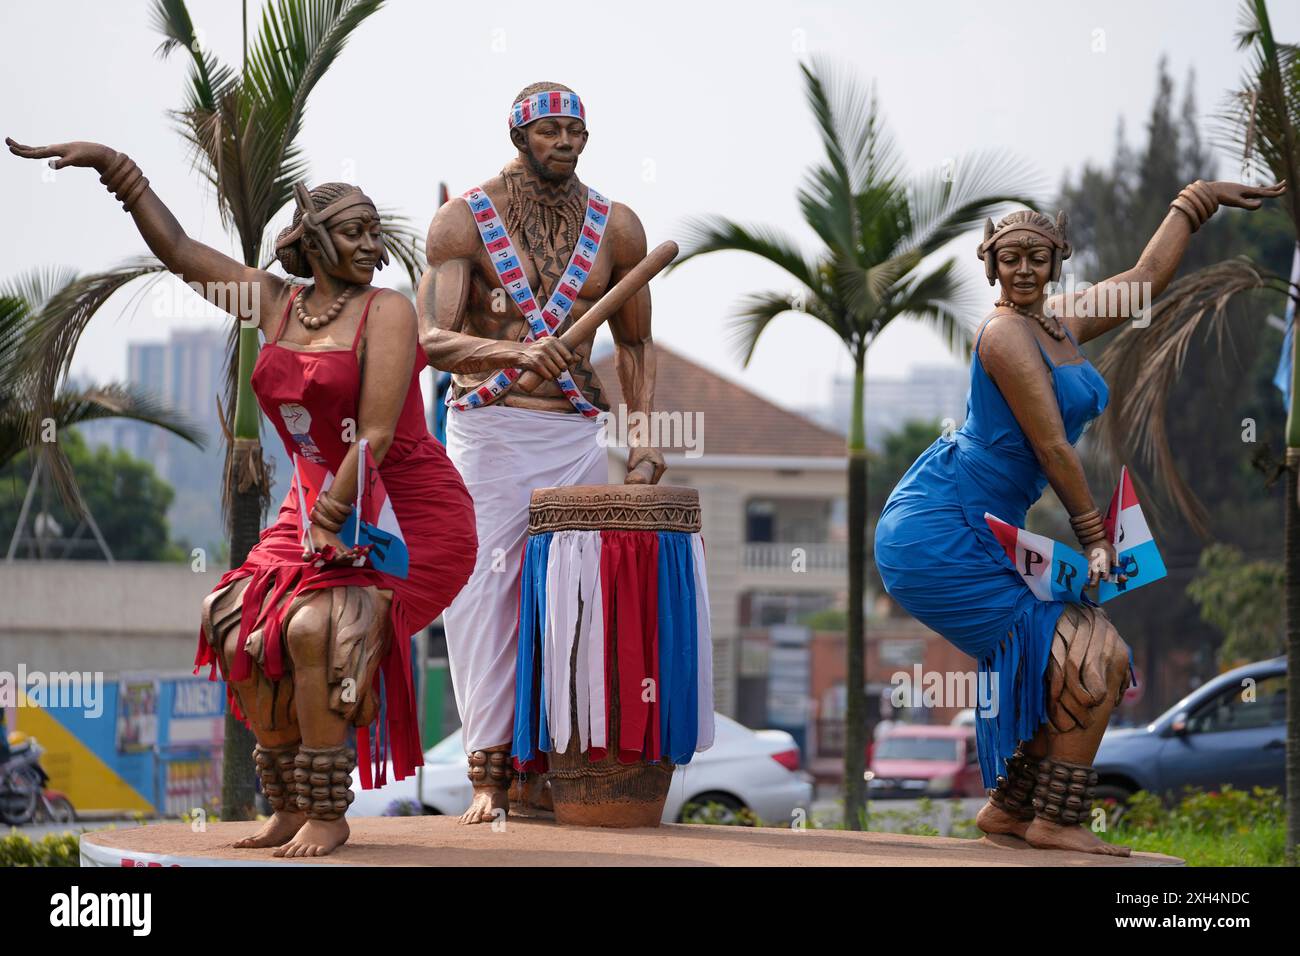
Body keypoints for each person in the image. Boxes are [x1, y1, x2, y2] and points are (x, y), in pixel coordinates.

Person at [7, 137, 478, 856]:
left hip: (400, 514)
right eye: (353, 232)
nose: (370, 246)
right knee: (234, 619)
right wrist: (117, 170)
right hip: (315, 507)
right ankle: (288, 803)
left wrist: (328, 523)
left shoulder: (386, 312)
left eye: (375, 233)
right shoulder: (271, 301)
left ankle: (329, 808)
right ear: (312, 241)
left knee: (318, 628)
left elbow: (375, 435)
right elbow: (180, 250)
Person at [874, 178, 1285, 855]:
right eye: (1012, 259)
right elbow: (1051, 445)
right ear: (992, 266)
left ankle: (1012, 809)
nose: (1026, 269)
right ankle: (1054, 818)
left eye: (1039, 257)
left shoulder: (1057, 322)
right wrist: (1094, 540)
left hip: (985, 526)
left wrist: (1193, 200)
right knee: (1097, 651)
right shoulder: (1005, 335)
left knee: (1068, 652)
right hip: (937, 527)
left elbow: (1143, 281)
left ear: (1057, 258)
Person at [418, 83, 664, 823]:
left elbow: (635, 343)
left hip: (574, 434)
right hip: (490, 432)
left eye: (576, 131)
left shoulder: (617, 227)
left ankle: (545, 768)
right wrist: (510, 349)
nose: (566, 143)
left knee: (570, 603)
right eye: (551, 131)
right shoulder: (463, 221)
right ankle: (488, 771)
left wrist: (644, 442)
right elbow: (432, 339)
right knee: (484, 599)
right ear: (520, 135)